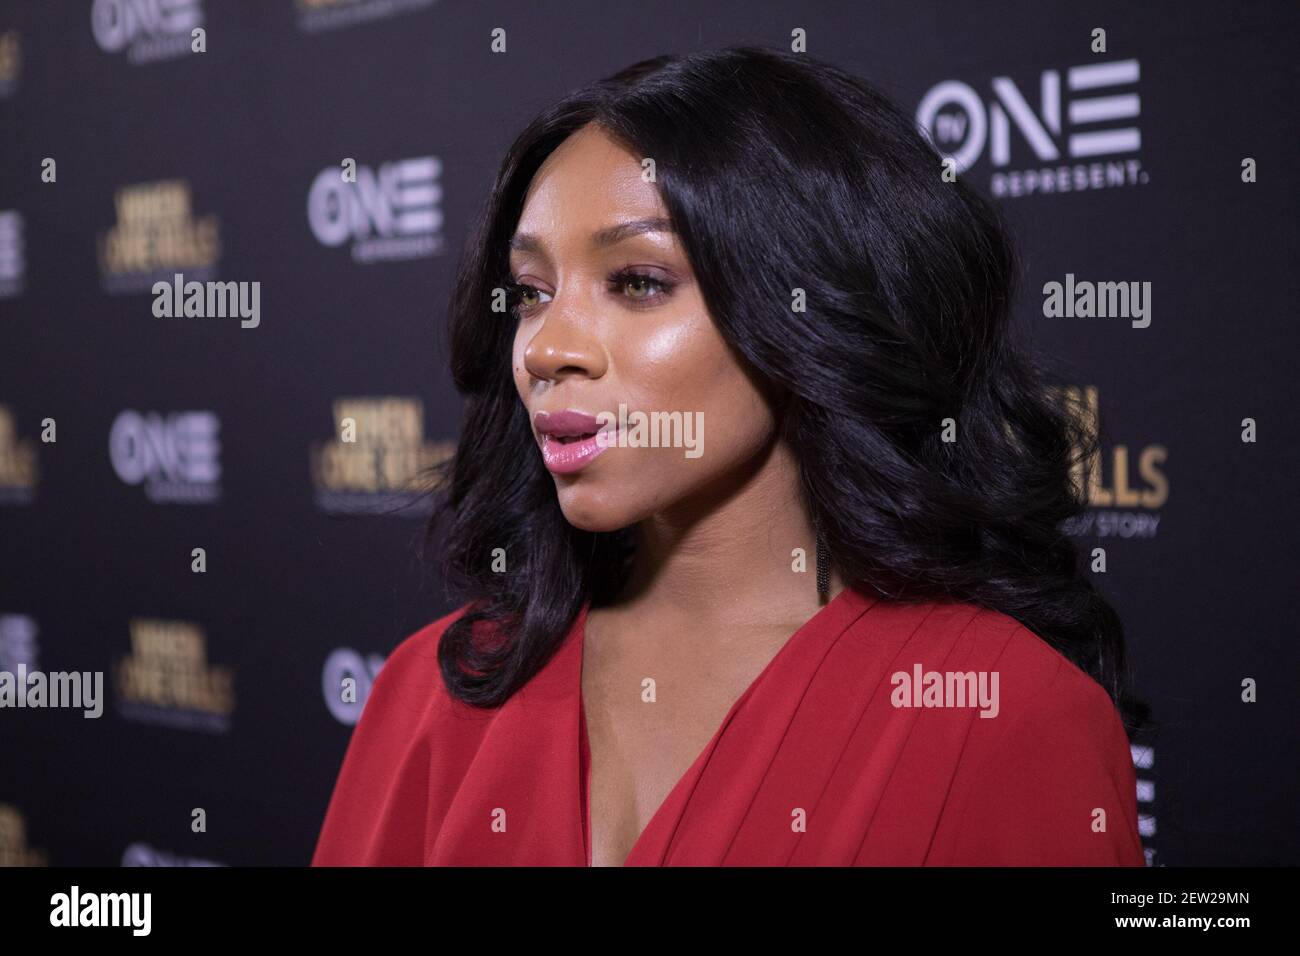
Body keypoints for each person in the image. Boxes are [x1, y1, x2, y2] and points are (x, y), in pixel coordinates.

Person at [312, 46, 1147, 867]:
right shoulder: (433, 687)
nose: (545, 348)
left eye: (638, 281)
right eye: (531, 293)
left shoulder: (999, 710)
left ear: (808, 307)